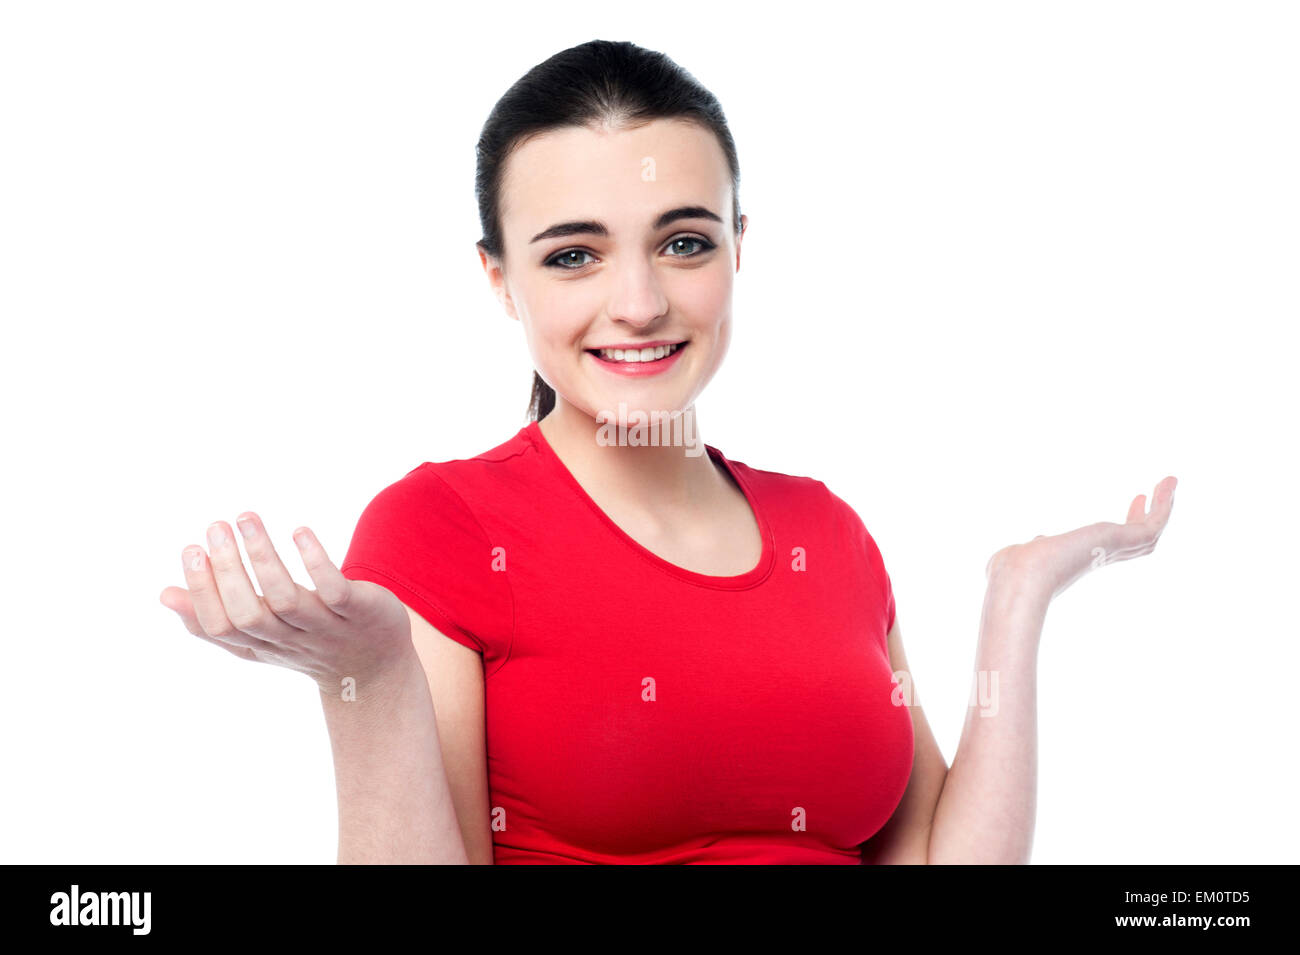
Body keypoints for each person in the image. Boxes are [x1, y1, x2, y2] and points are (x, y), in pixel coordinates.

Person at [159, 39, 1177, 865]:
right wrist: (371, 680)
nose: (639, 303)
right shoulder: (443, 528)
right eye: (572, 255)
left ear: (738, 247)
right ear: (500, 280)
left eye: (683, 241)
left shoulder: (827, 530)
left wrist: (1016, 598)